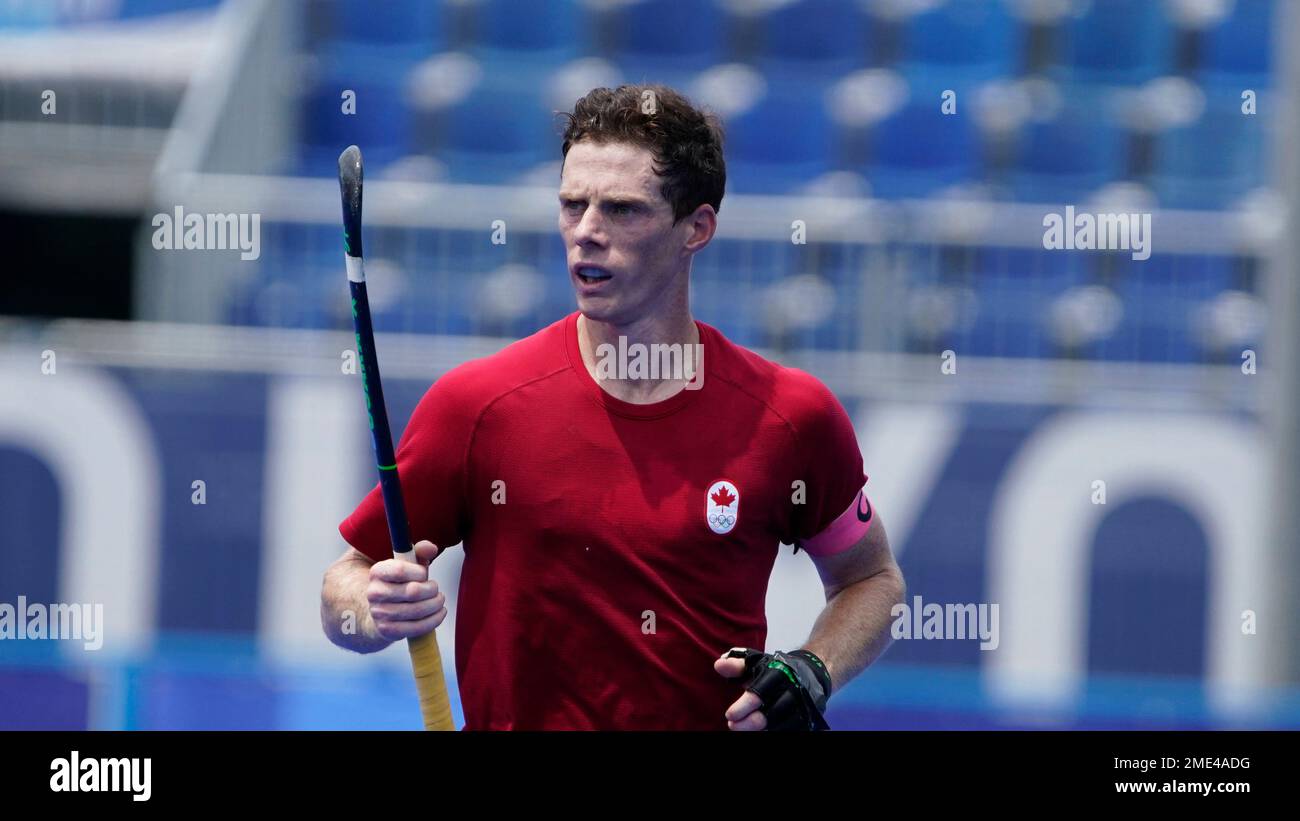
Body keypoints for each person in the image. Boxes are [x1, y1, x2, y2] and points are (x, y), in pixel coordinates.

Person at [321, 84, 905, 730]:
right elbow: (346, 585)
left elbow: (872, 580)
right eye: (573, 205)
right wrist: (371, 607)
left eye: (622, 209)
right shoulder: (478, 405)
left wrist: (814, 668)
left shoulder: (791, 415)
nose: (587, 233)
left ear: (697, 228)